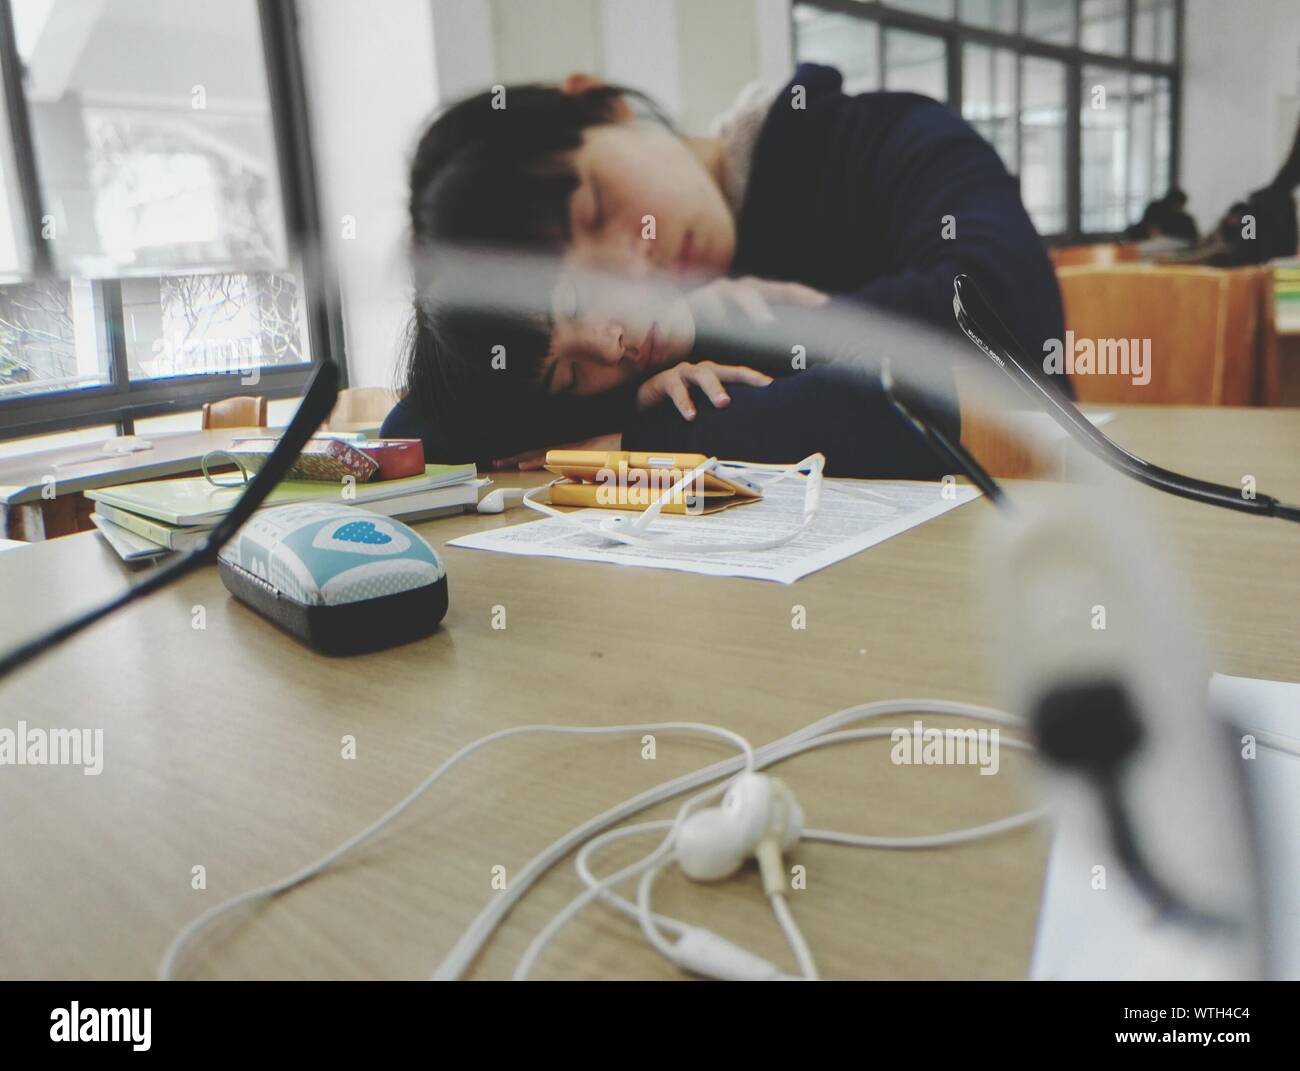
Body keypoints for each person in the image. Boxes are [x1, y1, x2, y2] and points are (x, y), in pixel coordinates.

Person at [383, 63, 1067, 477]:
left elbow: (1004, 326)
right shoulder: (620, 347)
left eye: (594, 211)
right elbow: (426, 426)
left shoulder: (889, 141)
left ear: (603, 105)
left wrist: (662, 431)